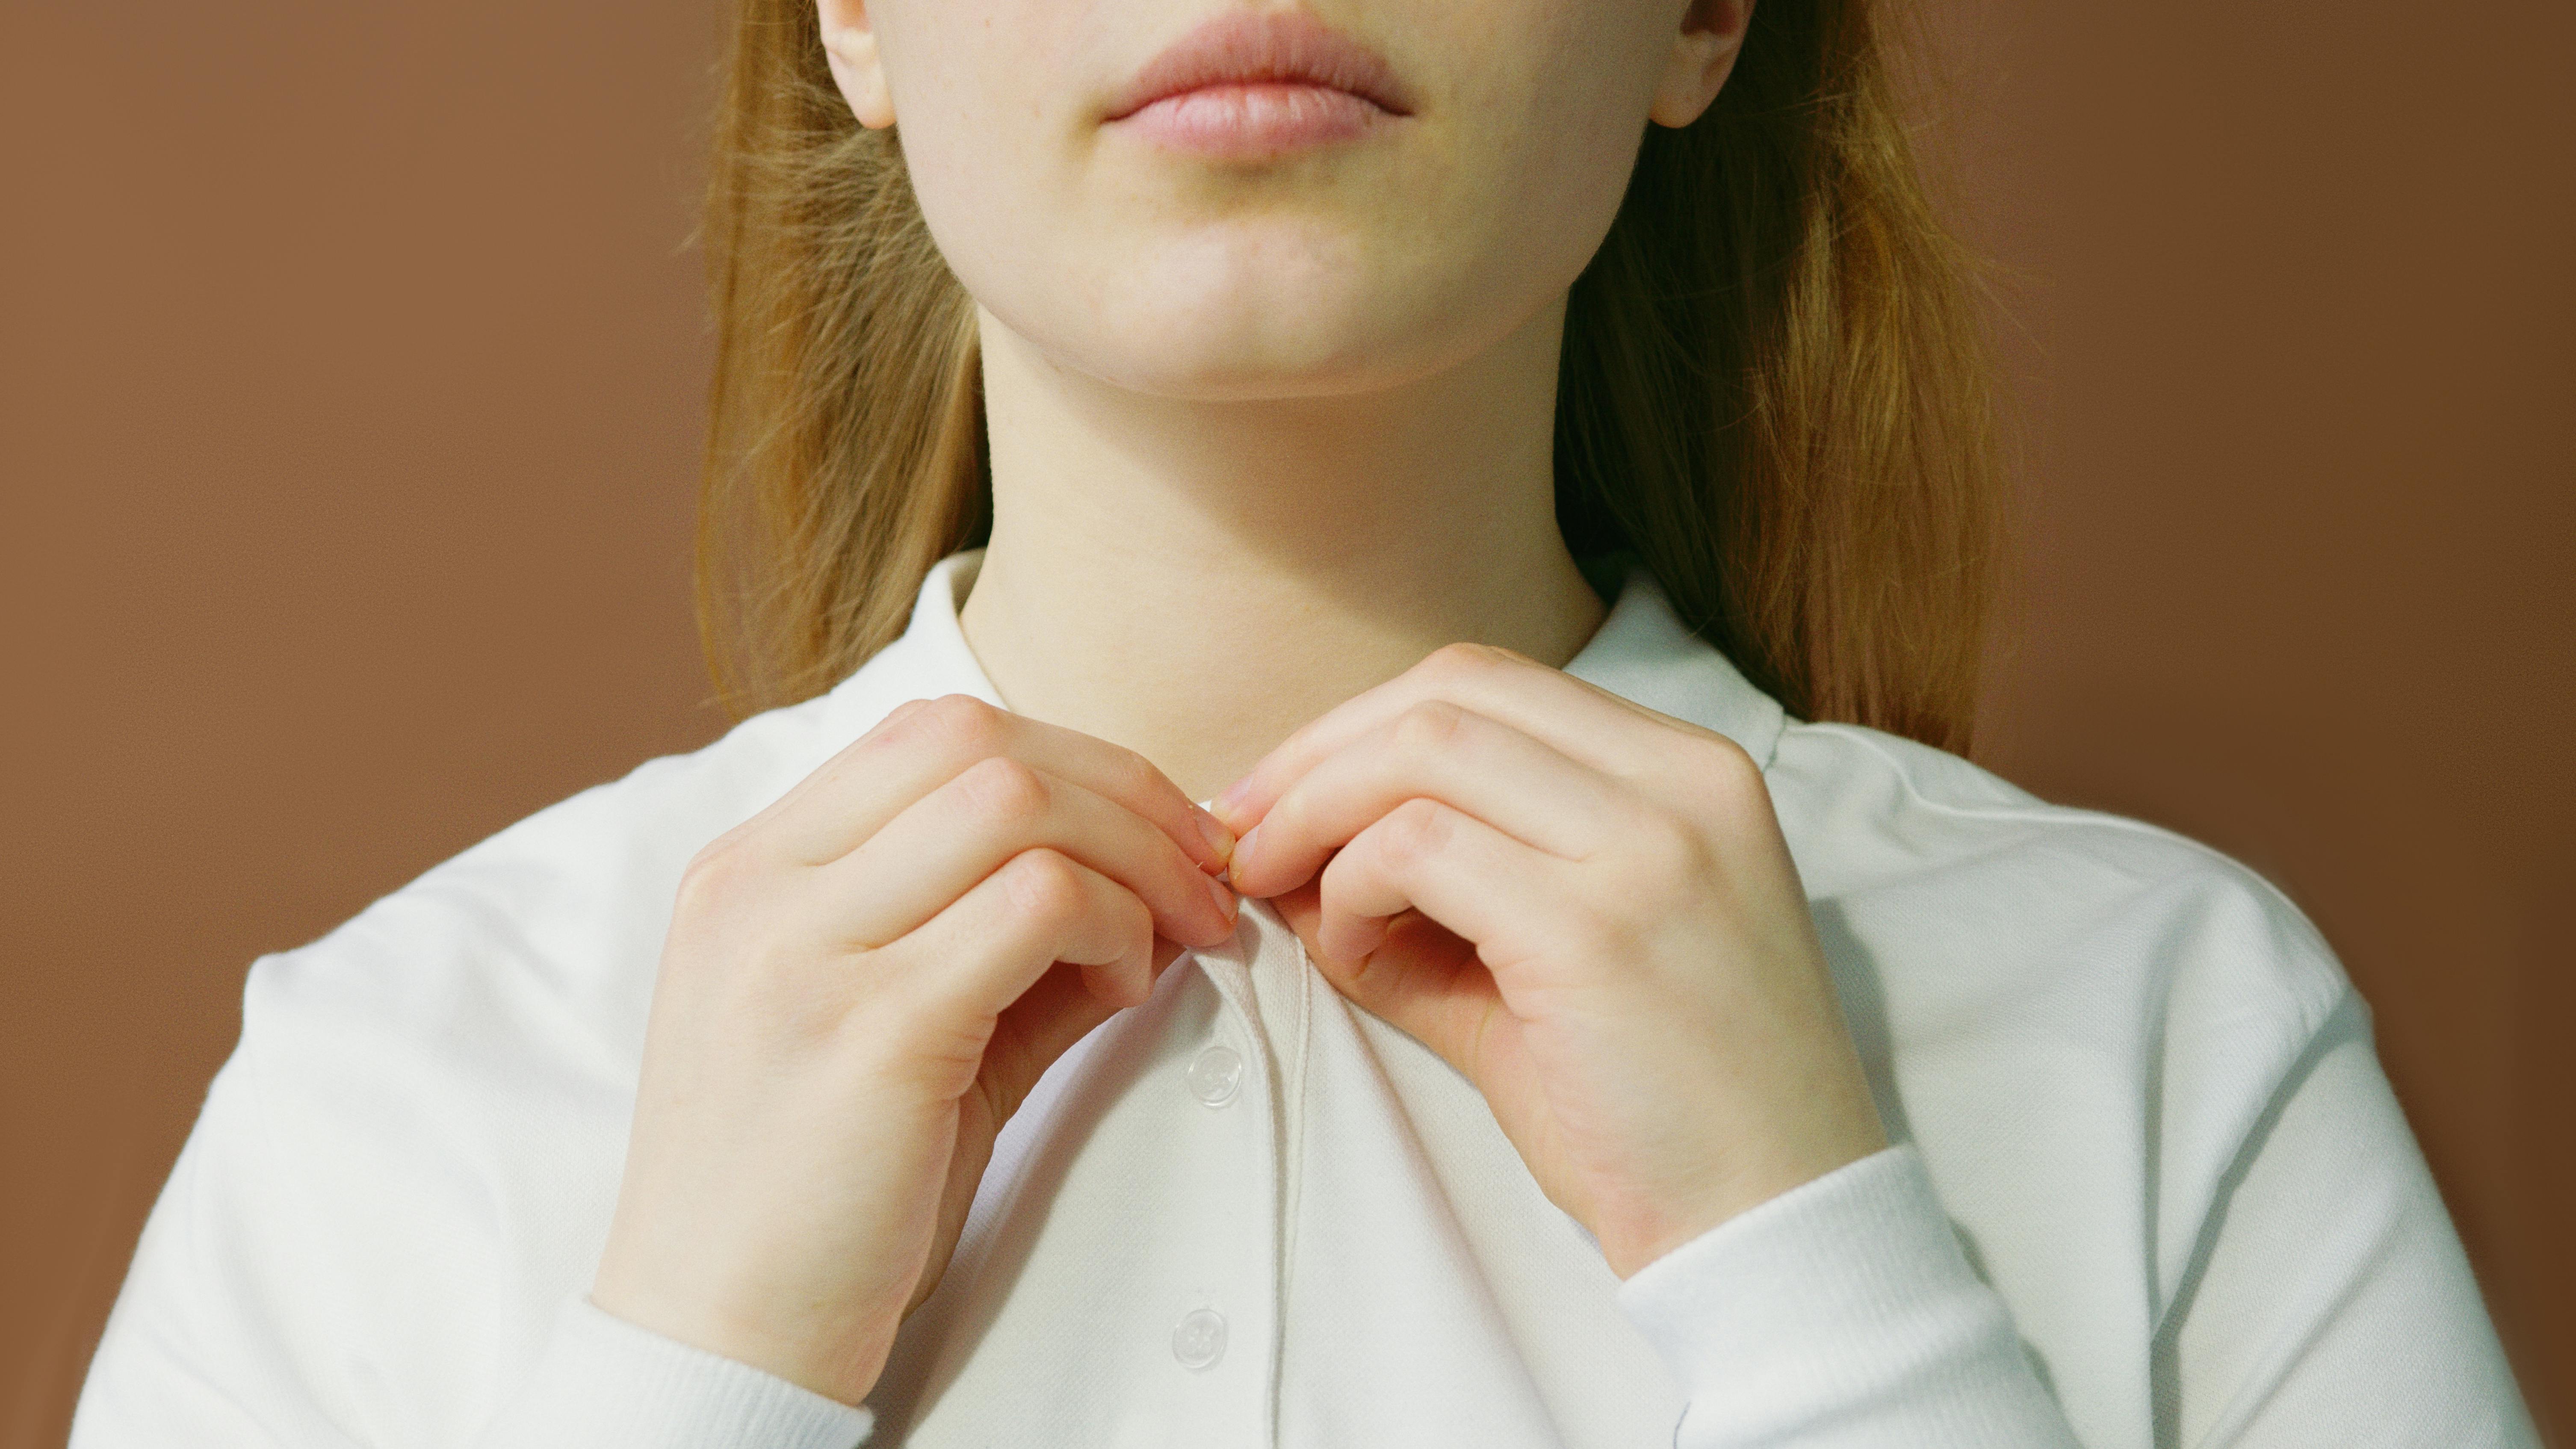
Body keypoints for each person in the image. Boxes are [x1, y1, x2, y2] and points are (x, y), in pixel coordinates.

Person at [68, 0, 2542, 1445]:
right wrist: (692, 1377)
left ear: (1698, 8)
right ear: (852, 11)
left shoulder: (2163, 1023)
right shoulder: (397, 1074)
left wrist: (1828, 1281)